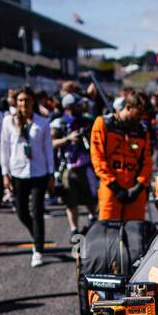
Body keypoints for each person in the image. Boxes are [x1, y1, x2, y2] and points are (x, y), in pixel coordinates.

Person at [0, 86, 54, 267]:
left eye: (27, 100)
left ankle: (38, 249)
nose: (24, 103)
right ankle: (37, 234)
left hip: (39, 172)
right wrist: (5, 173)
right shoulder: (9, 121)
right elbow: (4, 148)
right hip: (18, 171)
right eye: (21, 100)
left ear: (33, 102)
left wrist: (51, 174)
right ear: (16, 102)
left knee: (37, 210)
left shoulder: (43, 122)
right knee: (21, 211)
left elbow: (48, 149)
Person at [91, 90, 151, 222]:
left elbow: (147, 162)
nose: (141, 119)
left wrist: (139, 186)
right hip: (111, 188)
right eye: (138, 114)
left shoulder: (142, 131)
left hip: (135, 189)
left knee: (135, 234)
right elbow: (97, 158)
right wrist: (114, 187)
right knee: (109, 233)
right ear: (128, 107)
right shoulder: (104, 124)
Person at [51, 94, 96, 236]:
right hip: (68, 167)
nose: (81, 107)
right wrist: (68, 139)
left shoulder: (87, 120)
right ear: (69, 107)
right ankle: (74, 229)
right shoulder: (59, 122)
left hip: (86, 166)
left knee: (92, 197)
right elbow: (52, 143)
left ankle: (93, 220)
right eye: (77, 104)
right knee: (70, 200)